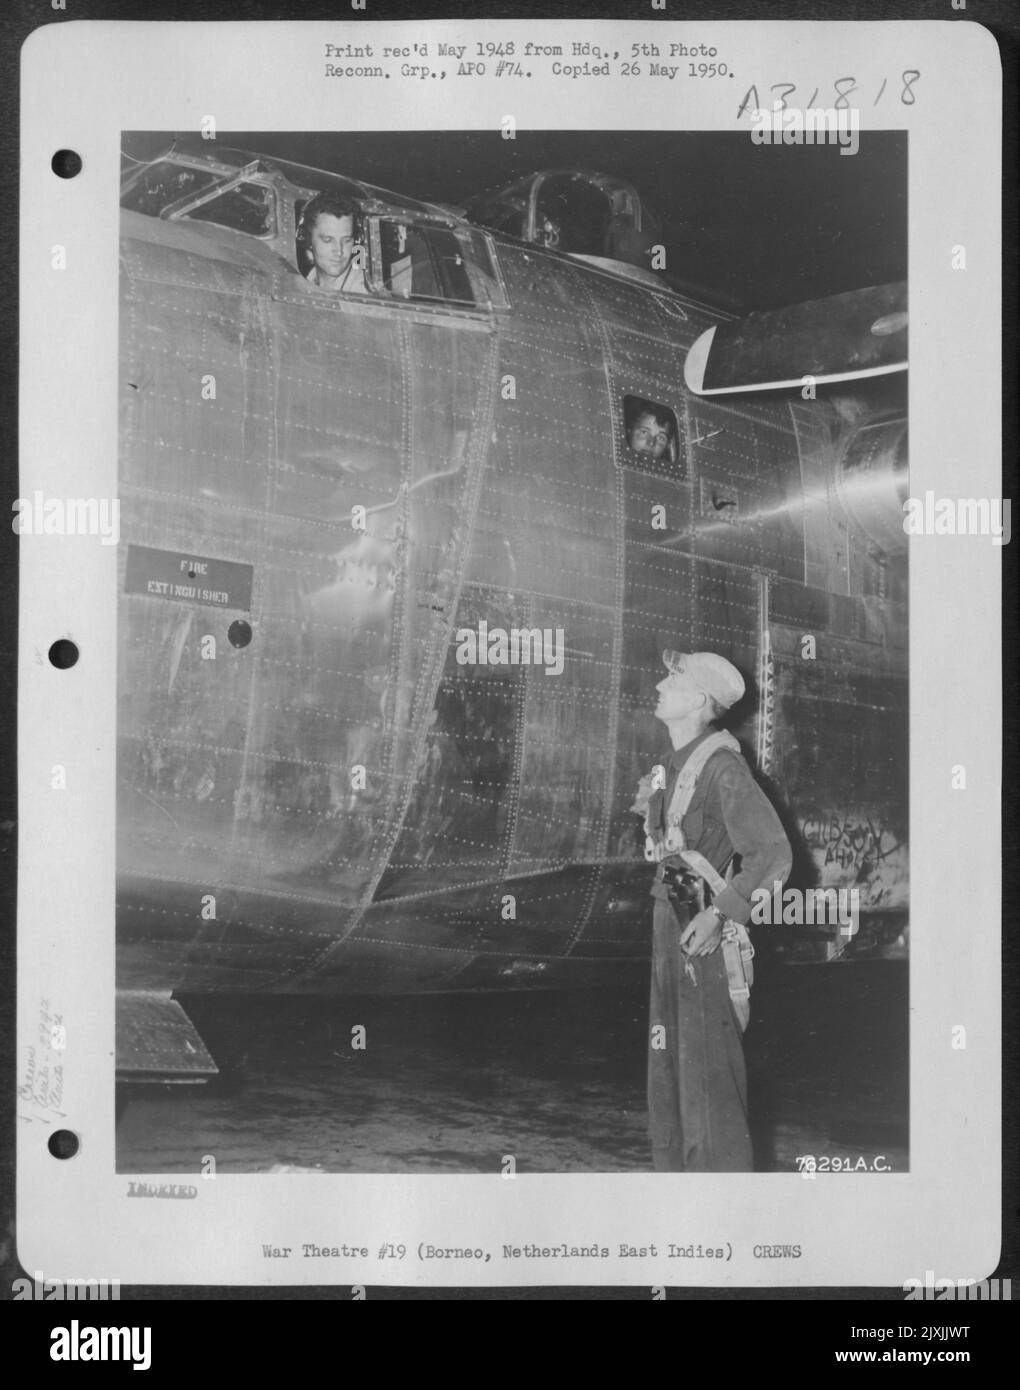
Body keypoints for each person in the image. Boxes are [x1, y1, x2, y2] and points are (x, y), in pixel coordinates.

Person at [632, 650, 792, 1172]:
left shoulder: (723, 769)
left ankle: (722, 1211)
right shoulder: (672, 765)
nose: (659, 684)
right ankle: (675, 1192)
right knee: (669, 1068)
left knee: (708, 1078)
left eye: (672, 680)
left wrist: (721, 914)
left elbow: (772, 854)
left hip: (701, 924)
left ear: (699, 701)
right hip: (668, 916)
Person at [297, 190, 369, 295]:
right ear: (309, 239)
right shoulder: (309, 280)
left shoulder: (364, 291)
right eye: (328, 240)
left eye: (347, 241)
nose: (339, 251)